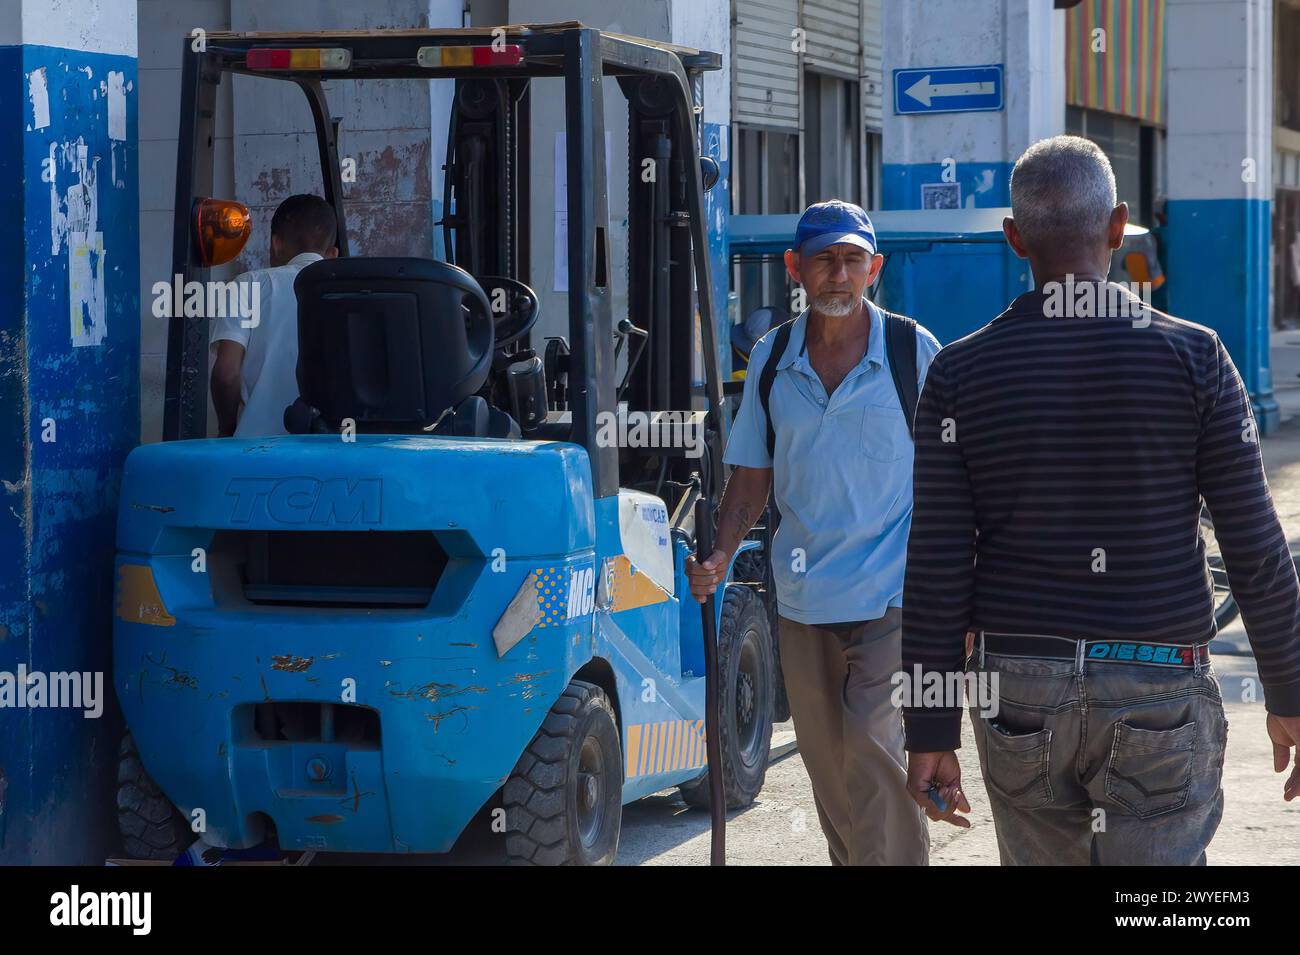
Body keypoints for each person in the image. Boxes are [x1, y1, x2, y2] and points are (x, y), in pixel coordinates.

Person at [901, 135, 1300, 864]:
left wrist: (928, 731)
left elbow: (936, 566)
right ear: (1118, 226)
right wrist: (1290, 690)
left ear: (1014, 238)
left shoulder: (958, 375)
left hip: (1019, 688)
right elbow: (1254, 545)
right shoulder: (1195, 356)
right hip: (1158, 682)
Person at [687, 199, 940, 865]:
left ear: (874, 268)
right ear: (794, 267)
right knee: (829, 769)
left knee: (873, 749)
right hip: (801, 599)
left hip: (894, 596)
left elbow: (959, 478)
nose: (838, 273)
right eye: (824, 259)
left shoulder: (914, 353)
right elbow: (750, 477)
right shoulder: (772, 360)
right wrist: (719, 550)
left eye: (852, 259)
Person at [210, 193, 339, 437]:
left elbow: (226, 373)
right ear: (332, 254)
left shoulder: (248, 285)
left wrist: (226, 430)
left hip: (256, 451)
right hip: (331, 451)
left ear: (276, 244)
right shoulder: (350, 290)